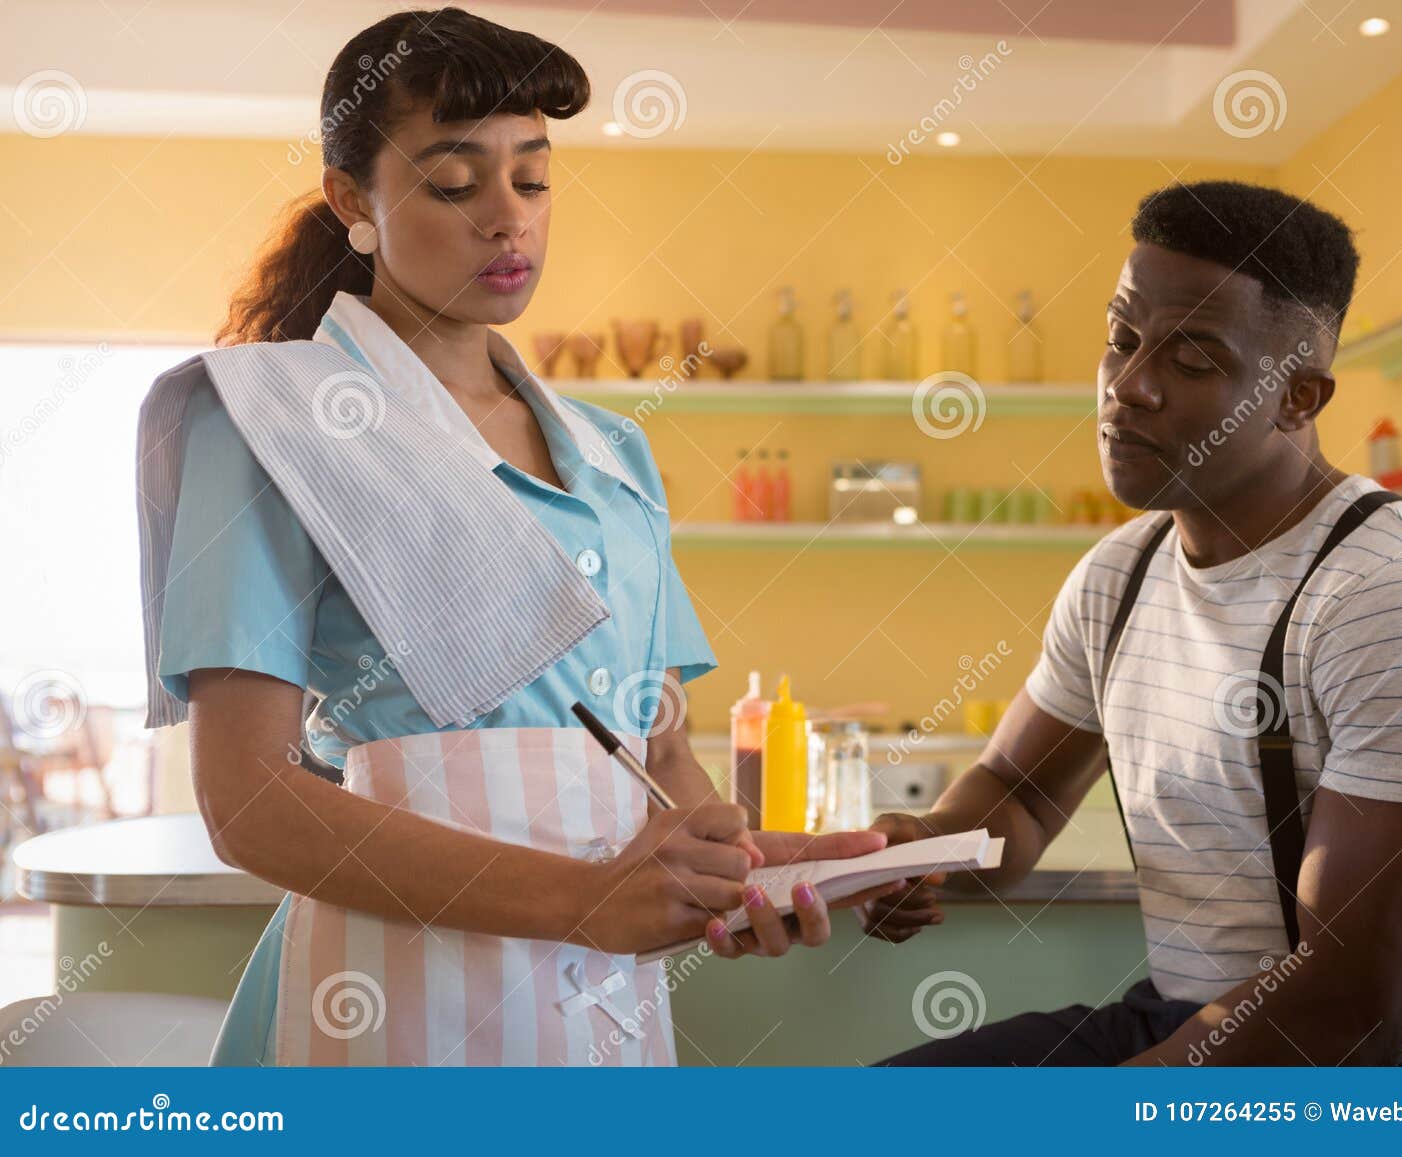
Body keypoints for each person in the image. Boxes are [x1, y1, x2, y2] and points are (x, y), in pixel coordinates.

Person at [138, 7, 889, 1068]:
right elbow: (247, 800)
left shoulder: (614, 451)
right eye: (455, 183)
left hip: (606, 999)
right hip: (388, 994)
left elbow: (660, 753)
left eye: (532, 179)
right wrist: (583, 899)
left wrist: (757, 867)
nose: (508, 219)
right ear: (352, 201)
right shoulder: (271, 420)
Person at [864, 180, 1402, 1067]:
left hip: (1389, 1058)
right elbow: (1019, 793)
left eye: (1191, 361)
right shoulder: (1120, 574)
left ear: (1298, 396)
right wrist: (927, 847)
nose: (1129, 385)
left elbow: (1351, 1008)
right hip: (1182, 1017)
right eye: (1122, 339)